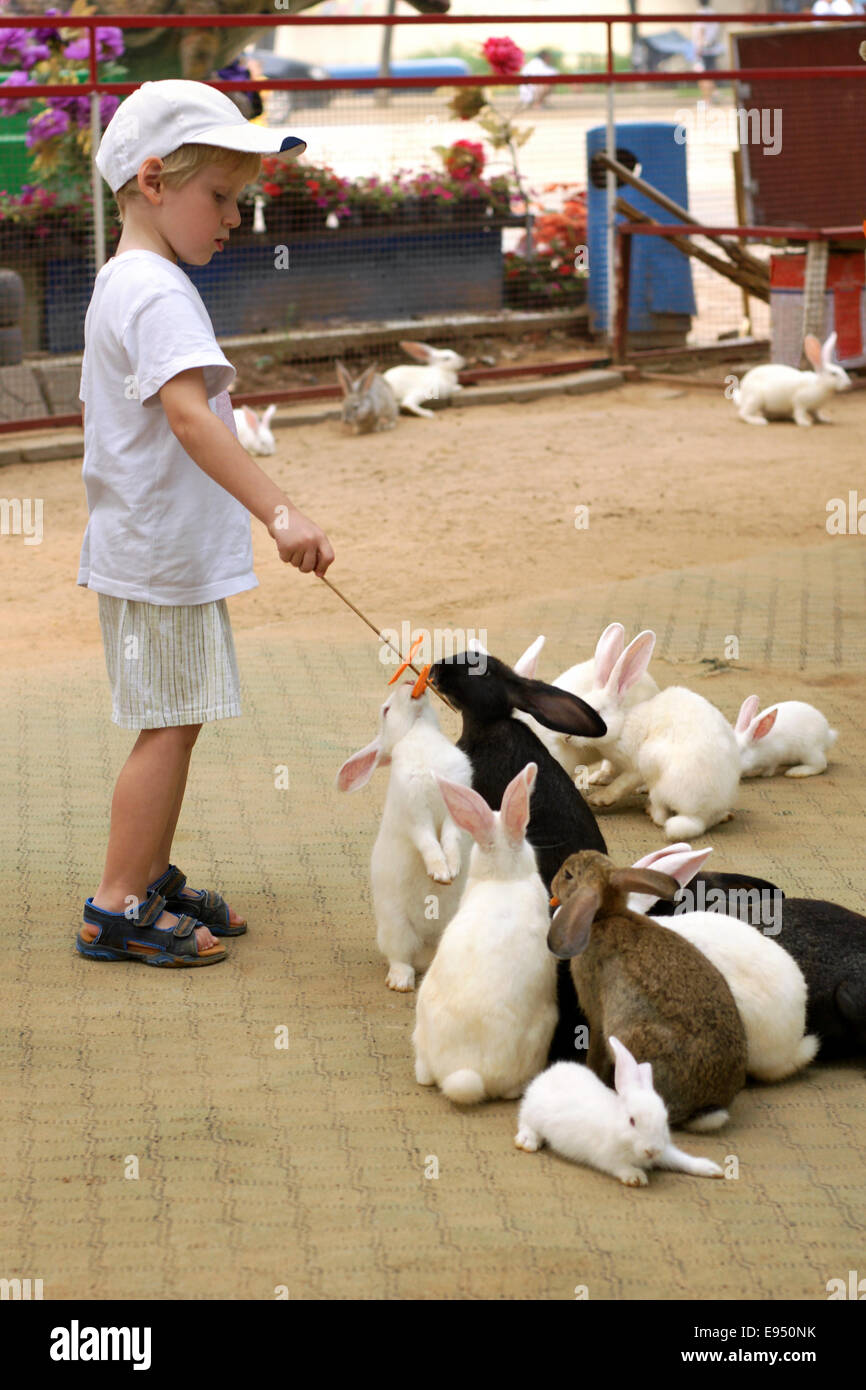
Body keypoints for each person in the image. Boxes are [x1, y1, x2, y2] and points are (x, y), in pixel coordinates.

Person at [76, 80, 334, 967]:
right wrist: (280, 510)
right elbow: (190, 417)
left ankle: (145, 877)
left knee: (175, 716)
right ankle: (115, 905)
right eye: (220, 198)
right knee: (168, 724)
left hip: (156, 552)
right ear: (153, 180)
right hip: (158, 557)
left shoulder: (135, 280)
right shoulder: (153, 291)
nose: (233, 219)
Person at [692, 0, 725, 103]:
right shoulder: (713, 13)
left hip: (704, 49)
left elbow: (701, 30)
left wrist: (699, 48)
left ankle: (707, 99)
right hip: (713, 47)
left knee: (703, 75)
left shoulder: (701, 13)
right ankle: (715, 94)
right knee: (710, 73)